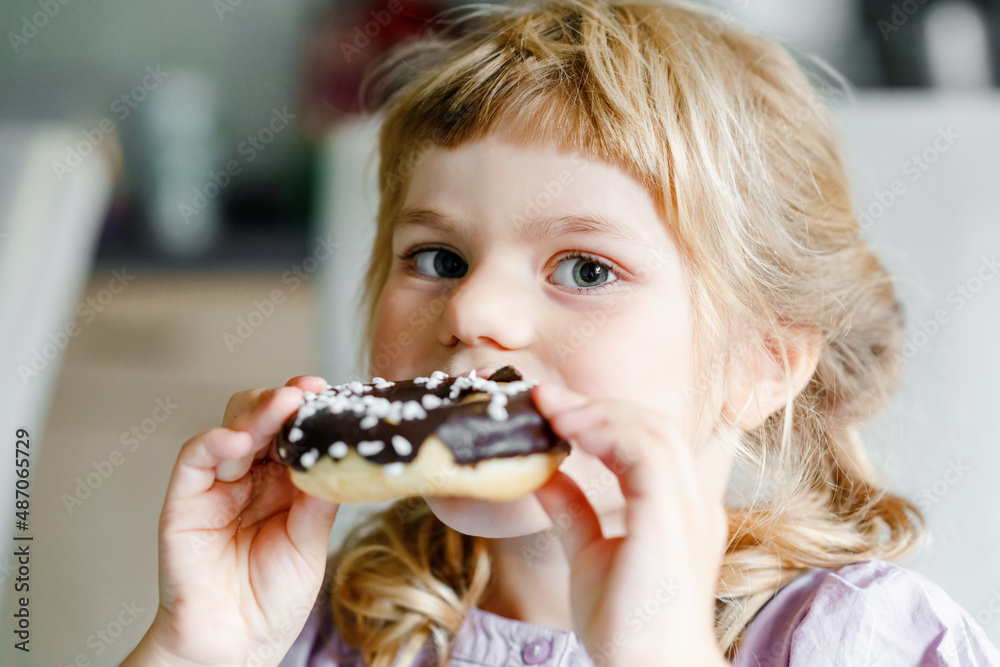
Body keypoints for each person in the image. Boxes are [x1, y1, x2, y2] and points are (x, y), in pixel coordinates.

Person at [122, 0, 1000, 665]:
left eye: (585, 268)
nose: (472, 314)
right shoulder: (327, 627)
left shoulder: (864, 637)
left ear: (763, 361)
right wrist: (196, 646)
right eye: (437, 258)